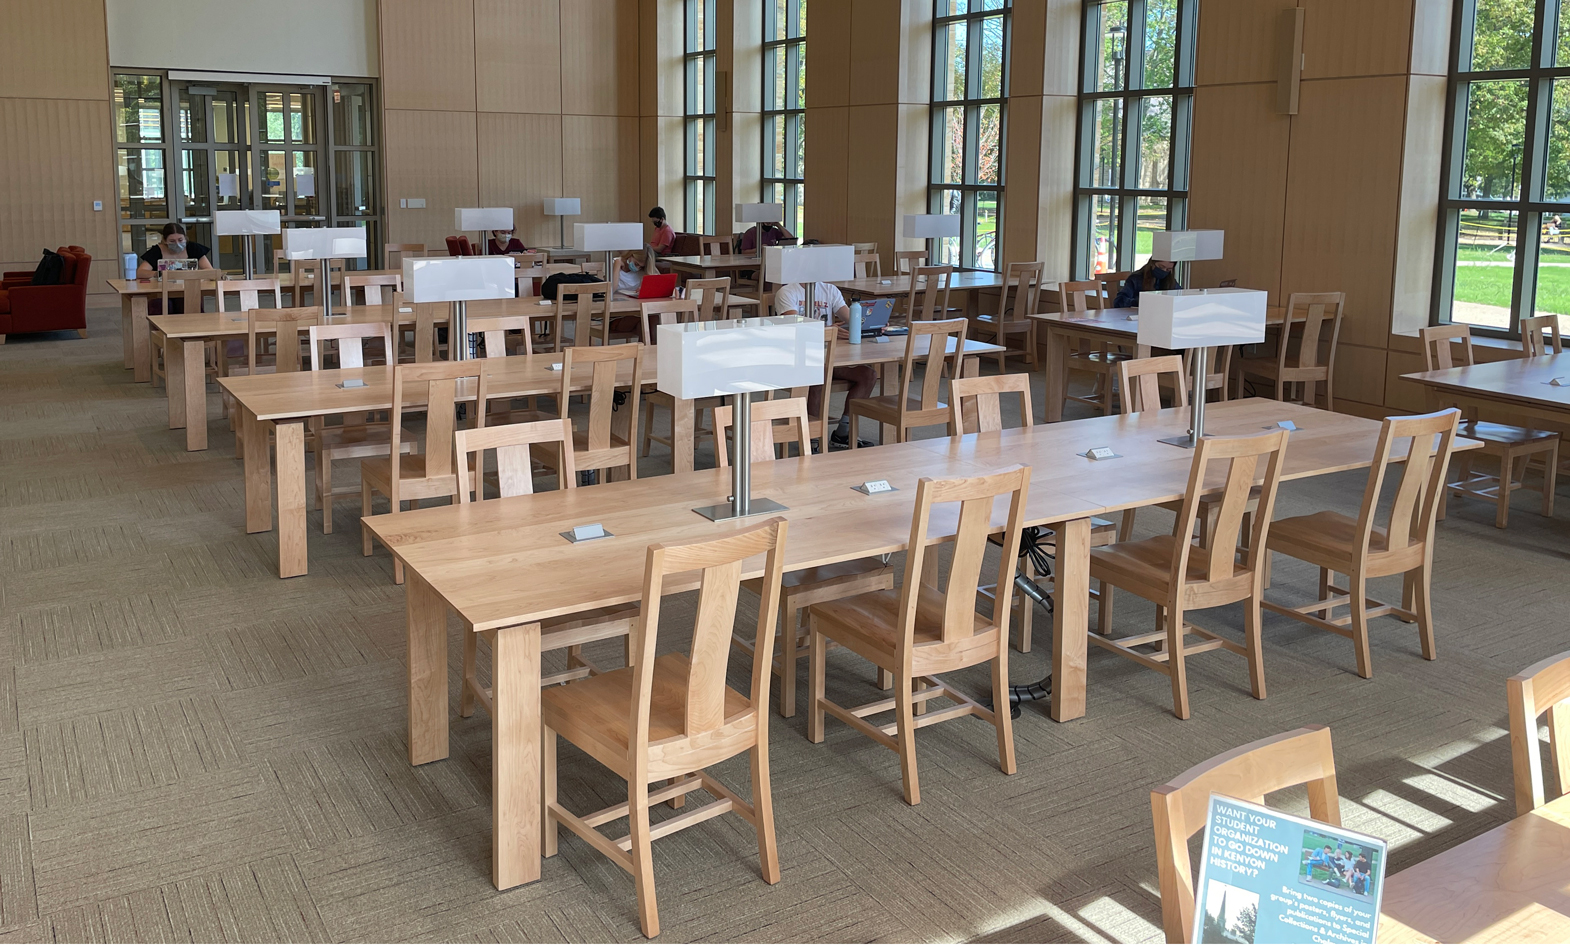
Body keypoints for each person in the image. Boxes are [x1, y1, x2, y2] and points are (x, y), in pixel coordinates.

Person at [773, 280, 877, 449]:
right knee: (817, 374)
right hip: (797, 356)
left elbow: (851, 318)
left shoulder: (830, 290)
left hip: (829, 355)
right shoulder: (787, 292)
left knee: (868, 375)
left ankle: (844, 431)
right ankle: (810, 437)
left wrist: (873, 324)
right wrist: (827, 329)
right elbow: (794, 324)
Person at [137, 223, 213, 314]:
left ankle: (192, 326)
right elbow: (140, 272)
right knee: (161, 305)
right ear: (164, 240)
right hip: (161, 291)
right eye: (172, 241)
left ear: (185, 238)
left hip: (187, 290)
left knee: (186, 302)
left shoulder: (193, 248)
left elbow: (209, 271)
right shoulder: (156, 251)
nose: (177, 244)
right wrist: (158, 274)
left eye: (180, 240)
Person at [1111, 257, 1180, 309]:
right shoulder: (1136, 278)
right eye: (1161, 267)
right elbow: (1119, 301)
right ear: (1152, 264)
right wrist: (1141, 302)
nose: (1164, 271)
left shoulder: (1169, 280)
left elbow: (1180, 295)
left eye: (1168, 270)